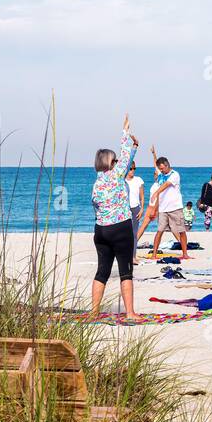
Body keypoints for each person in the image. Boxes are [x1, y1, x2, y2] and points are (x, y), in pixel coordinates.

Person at [89, 115, 144, 320]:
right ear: (111, 163)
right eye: (115, 161)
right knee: (125, 271)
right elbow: (124, 154)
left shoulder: (97, 183)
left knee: (102, 271)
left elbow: (125, 159)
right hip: (120, 229)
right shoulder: (115, 176)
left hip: (100, 230)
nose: (119, 162)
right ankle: (129, 312)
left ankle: (94, 312)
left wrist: (134, 147)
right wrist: (125, 132)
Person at [148, 156, 187, 259]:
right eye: (159, 169)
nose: (161, 170)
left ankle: (185, 254)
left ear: (167, 165)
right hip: (163, 209)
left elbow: (166, 184)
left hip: (175, 208)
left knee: (181, 230)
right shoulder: (160, 175)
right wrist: (155, 209)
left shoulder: (175, 175)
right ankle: (154, 254)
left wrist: (156, 192)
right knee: (159, 231)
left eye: (162, 168)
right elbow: (155, 166)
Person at [125, 164, 146, 262]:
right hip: (124, 210)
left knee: (134, 234)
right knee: (124, 234)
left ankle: (133, 257)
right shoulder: (122, 180)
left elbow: (142, 196)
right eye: (130, 168)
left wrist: (142, 209)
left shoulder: (139, 180)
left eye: (134, 168)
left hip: (135, 209)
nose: (132, 170)